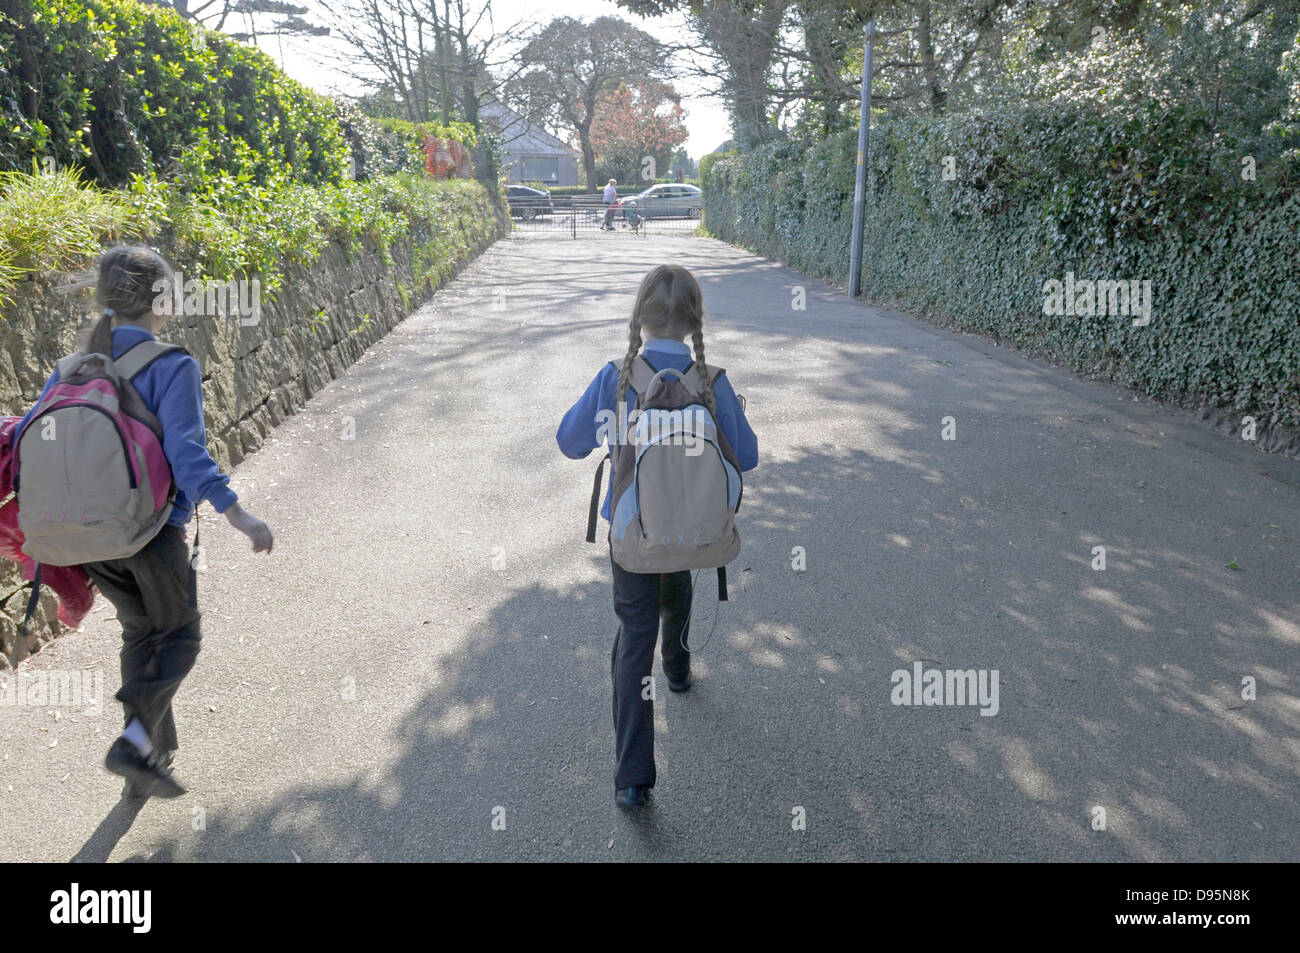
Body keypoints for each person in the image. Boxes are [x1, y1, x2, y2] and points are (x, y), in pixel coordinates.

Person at [15, 245, 274, 798]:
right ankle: (134, 744)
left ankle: (149, 752)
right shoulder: (170, 364)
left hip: (87, 539)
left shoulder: (71, 367)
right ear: (161, 299)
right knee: (180, 635)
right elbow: (186, 452)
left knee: (140, 630)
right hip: (149, 532)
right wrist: (237, 513)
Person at [556, 264, 758, 809]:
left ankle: (632, 778)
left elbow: (569, 443)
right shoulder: (712, 383)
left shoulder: (617, 379)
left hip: (631, 532)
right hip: (694, 527)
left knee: (631, 637)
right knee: (678, 574)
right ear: (695, 320)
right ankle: (679, 666)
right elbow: (751, 458)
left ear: (641, 317)